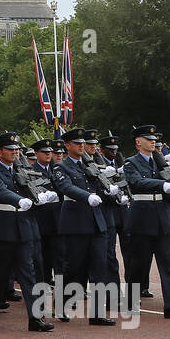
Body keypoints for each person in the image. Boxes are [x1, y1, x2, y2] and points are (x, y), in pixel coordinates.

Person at [0, 133, 53, 331]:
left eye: (16, 149)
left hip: (23, 226)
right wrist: (18, 200)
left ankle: (35, 319)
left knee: (28, 274)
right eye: (10, 149)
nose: (15, 152)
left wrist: (42, 195)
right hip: (4, 229)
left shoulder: (22, 169)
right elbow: (0, 191)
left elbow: (32, 186)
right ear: (0, 151)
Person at [122, 126, 170, 319]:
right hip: (142, 218)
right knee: (138, 265)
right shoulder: (131, 163)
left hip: (162, 217)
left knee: (167, 263)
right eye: (148, 139)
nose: (153, 142)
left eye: (154, 139)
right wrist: (162, 184)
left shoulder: (160, 163)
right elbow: (136, 183)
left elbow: (169, 191)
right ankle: (131, 302)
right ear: (138, 142)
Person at [52, 127, 116, 325]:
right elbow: (66, 187)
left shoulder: (91, 164)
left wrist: (111, 190)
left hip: (96, 222)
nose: (81, 146)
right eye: (77, 143)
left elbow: (99, 185)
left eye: (83, 143)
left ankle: (97, 314)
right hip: (76, 222)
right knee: (74, 267)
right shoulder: (60, 167)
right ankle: (62, 304)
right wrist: (87, 196)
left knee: (99, 267)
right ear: (68, 145)